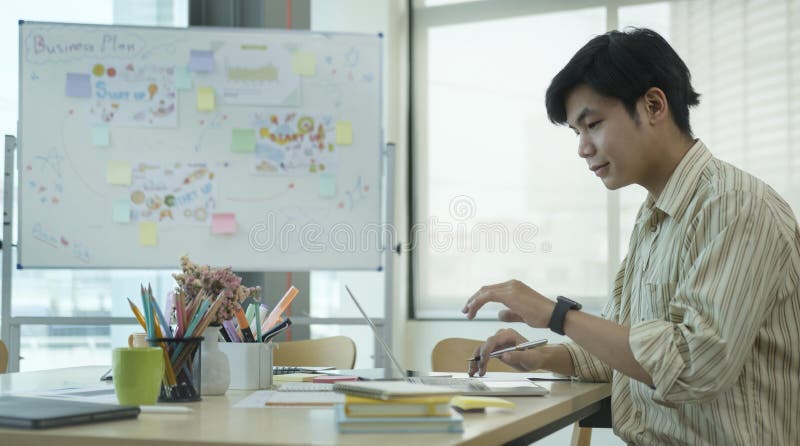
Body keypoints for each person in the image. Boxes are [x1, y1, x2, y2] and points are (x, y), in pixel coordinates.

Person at [461, 28, 800, 445]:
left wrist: (556, 314)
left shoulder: (737, 207)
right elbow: (628, 350)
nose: (583, 148)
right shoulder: (654, 217)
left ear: (654, 105)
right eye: (577, 133)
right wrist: (542, 355)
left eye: (594, 124)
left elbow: (693, 364)